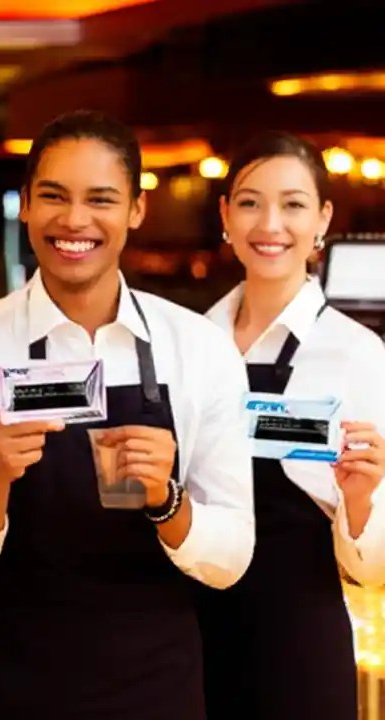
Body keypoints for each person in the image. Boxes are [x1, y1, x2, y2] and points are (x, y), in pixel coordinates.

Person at [0, 109, 255, 719]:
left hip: (156, 684)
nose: (75, 220)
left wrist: (168, 499)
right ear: (24, 206)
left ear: (135, 210)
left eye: (100, 199)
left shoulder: (197, 349)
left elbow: (230, 559)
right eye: (53, 196)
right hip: (8, 682)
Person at [197, 131, 385, 720]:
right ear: (225, 215)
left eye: (294, 204)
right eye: (250, 202)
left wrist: (359, 501)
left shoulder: (358, 354)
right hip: (186, 633)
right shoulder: (189, 342)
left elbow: (371, 570)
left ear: (322, 221)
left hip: (298, 641)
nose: (270, 223)